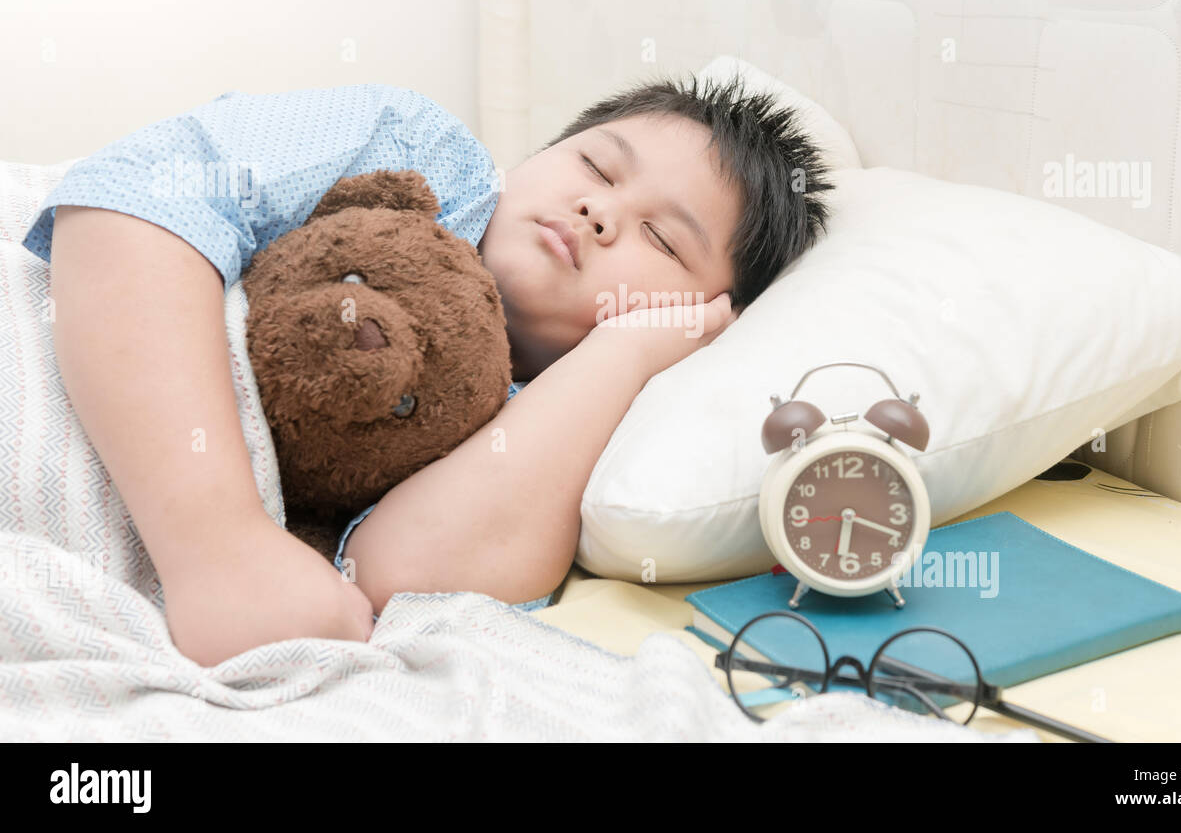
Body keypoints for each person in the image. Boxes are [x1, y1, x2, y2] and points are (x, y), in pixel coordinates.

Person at [22, 75, 832, 667]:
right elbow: (137, 194)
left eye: (662, 240)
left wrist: (626, 355)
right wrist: (215, 540)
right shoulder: (418, 154)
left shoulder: (564, 418)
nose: (600, 210)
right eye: (596, 166)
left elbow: (401, 576)